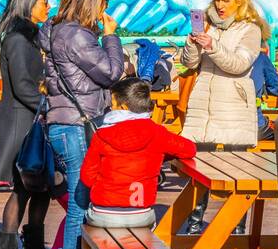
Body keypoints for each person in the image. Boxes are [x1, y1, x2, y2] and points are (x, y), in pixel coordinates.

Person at [41, 0, 125, 249]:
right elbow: (110, 72)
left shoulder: (58, 32)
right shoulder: (76, 36)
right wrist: (112, 36)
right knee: (80, 202)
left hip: (67, 122)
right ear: (92, 0)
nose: (106, 6)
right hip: (77, 125)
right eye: (104, 0)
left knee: (84, 200)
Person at [0, 0, 53, 249]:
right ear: (28, 3)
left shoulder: (31, 37)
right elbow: (23, 86)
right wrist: (48, 104)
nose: (47, 7)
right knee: (23, 189)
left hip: (31, 121)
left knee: (41, 188)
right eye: (43, 2)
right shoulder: (17, 39)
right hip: (20, 123)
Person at [79, 77, 195, 227]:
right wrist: (159, 155)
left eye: (113, 104)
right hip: (141, 214)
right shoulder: (157, 133)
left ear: (124, 107)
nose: (110, 108)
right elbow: (189, 149)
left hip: (104, 213)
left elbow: (87, 177)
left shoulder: (102, 135)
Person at [181, 0, 269, 150]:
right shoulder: (208, 25)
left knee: (235, 165)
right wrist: (191, 44)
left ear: (239, 1)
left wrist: (213, 46)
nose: (219, 5)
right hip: (203, 105)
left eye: (225, 1)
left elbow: (239, 64)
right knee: (201, 164)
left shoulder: (250, 29)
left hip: (232, 108)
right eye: (217, 0)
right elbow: (190, 63)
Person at [250, 44, 278, 141]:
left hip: (218, 128)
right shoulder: (260, 58)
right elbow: (275, 87)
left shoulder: (217, 58)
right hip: (254, 126)